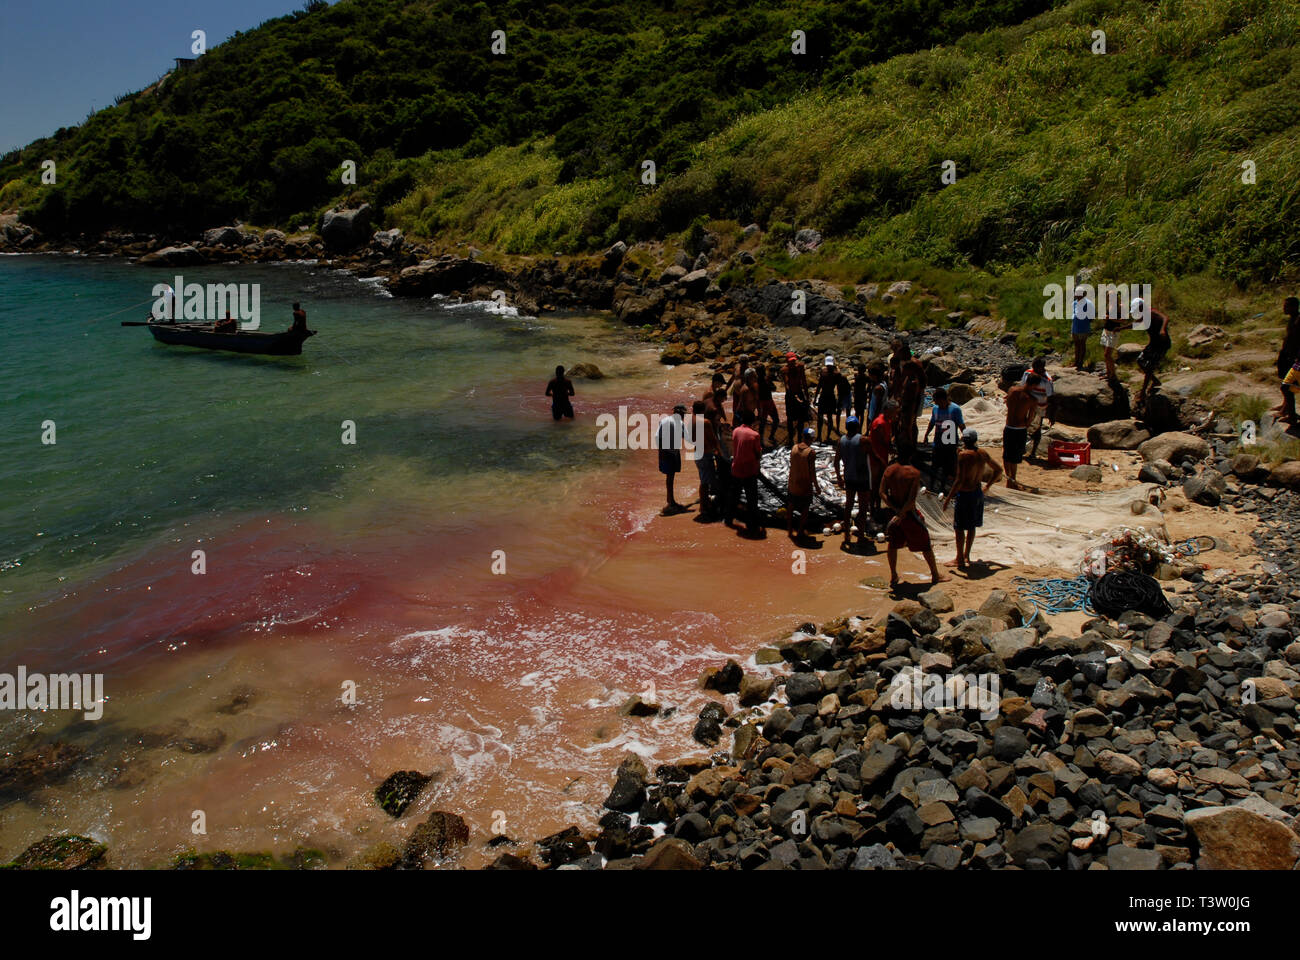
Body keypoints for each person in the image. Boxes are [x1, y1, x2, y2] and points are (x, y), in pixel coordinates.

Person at [880, 460, 950, 587]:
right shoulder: (914, 473)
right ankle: (935, 575)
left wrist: (896, 511)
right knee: (925, 544)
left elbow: (882, 493)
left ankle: (894, 575)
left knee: (893, 544)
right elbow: (911, 500)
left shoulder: (889, 470)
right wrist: (902, 513)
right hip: (910, 514)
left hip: (894, 513)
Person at [942, 428, 1003, 569]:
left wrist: (948, 498)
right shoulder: (982, 453)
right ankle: (966, 555)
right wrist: (987, 485)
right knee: (971, 527)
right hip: (977, 493)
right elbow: (998, 470)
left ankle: (959, 559)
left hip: (965, 495)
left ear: (964, 441)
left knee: (959, 528)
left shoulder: (963, 455)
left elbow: (959, 480)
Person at [834, 416, 871, 548]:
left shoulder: (841, 441)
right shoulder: (863, 439)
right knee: (862, 508)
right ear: (857, 426)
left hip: (848, 477)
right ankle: (860, 536)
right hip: (862, 478)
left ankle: (846, 536)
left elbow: (836, 461)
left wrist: (839, 477)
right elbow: (873, 454)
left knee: (848, 506)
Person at [726, 410, 763, 534]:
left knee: (734, 496)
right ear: (753, 421)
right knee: (752, 499)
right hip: (749, 471)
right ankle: (753, 525)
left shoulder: (735, 431)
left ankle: (728, 519)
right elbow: (758, 454)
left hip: (736, 469)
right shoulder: (755, 435)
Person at [923, 386, 964, 494]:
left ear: (943, 399)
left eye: (937, 401)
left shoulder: (955, 409)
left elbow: (961, 425)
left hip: (950, 444)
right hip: (938, 443)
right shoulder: (935, 409)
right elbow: (932, 422)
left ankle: (948, 490)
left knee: (949, 468)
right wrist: (926, 434)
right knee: (935, 466)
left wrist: (965, 437)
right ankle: (932, 488)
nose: (936, 403)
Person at [1003, 375, 1037, 490]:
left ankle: (1009, 479)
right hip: (1019, 428)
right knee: (1015, 457)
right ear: (1034, 385)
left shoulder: (1012, 390)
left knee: (1007, 455)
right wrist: (1026, 424)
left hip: (1008, 426)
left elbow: (1007, 404)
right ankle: (1013, 479)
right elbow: (1030, 418)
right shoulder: (1031, 399)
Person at [1134, 297, 1171, 402]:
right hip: (1153, 344)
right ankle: (1155, 381)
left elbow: (1165, 317)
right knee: (1140, 361)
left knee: (1149, 366)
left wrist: (1162, 329)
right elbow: (1135, 324)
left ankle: (1142, 392)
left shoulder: (1152, 312)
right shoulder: (1143, 316)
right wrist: (1121, 328)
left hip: (1162, 344)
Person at [787, 427, 819, 540]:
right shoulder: (811, 453)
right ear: (812, 439)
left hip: (792, 483)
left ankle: (790, 530)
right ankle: (800, 531)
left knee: (791, 506)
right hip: (804, 486)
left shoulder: (794, 447)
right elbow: (812, 472)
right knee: (805, 508)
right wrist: (817, 487)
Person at [1019, 358, 1054, 458]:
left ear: (1042, 368)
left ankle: (1033, 451)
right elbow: (1023, 387)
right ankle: (1022, 449)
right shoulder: (1027, 373)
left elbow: (1050, 397)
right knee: (1023, 426)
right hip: (1026, 405)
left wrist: (1051, 414)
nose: (1034, 370)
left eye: (1036, 368)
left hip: (1039, 407)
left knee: (1036, 428)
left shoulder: (1047, 381)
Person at [657, 404, 687, 514]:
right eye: (684, 414)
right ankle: (670, 503)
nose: (684, 416)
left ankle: (671, 500)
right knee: (670, 478)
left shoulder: (665, 420)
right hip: (671, 453)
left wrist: (661, 452)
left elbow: (658, 437)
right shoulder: (680, 423)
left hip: (666, 452)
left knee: (670, 477)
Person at [691, 399, 718, 519]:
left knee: (703, 479)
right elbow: (713, 440)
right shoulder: (705, 422)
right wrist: (719, 452)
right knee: (705, 482)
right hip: (705, 453)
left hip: (697, 452)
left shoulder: (690, 421)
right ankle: (704, 507)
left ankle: (704, 504)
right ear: (703, 410)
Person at [867, 399, 895, 515]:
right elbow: (879, 441)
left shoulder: (887, 421)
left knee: (880, 483)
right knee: (875, 483)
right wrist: (890, 450)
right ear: (888, 410)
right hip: (876, 457)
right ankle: (872, 507)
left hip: (883, 456)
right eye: (894, 412)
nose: (896, 415)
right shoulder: (879, 423)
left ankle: (877, 506)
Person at [1277, 297, 1300, 423]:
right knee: (1286, 384)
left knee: (1287, 387)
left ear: (1294, 307)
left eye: (1287, 306)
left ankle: (1291, 416)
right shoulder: (1293, 319)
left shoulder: (1298, 320)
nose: (1284, 309)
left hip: (1296, 359)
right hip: (1288, 355)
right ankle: (1286, 409)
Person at [783, 352, 810, 448]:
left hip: (799, 394)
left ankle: (799, 439)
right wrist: (794, 397)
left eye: (794, 360)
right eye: (791, 361)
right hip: (790, 397)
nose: (793, 363)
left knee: (801, 418)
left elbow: (804, 381)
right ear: (787, 361)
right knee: (790, 418)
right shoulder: (785, 370)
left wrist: (807, 396)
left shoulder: (800, 367)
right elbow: (787, 385)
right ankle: (790, 439)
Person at [815, 356, 839, 442]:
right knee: (829, 417)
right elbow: (838, 386)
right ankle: (827, 436)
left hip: (824, 396)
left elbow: (819, 386)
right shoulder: (836, 374)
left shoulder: (823, 373)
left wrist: (815, 398)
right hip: (830, 397)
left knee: (821, 417)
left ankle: (819, 436)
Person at [1071, 287, 1095, 372]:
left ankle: (1080, 362)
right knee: (1076, 344)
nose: (1076, 295)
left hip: (1083, 327)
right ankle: (1076, 361)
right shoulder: (1074, 303)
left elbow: (1092, 316)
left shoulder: (1088, 303)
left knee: (1082, 344)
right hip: (1075, 326)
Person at [757, 364, 780, 448]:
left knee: (768, 421)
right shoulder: (762, 380)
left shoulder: (763, 379)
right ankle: (763, 439)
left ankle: (766, 438)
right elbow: (773, 388)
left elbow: (773, 387)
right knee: (766, 421)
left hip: (766, 402)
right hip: (765, 402)